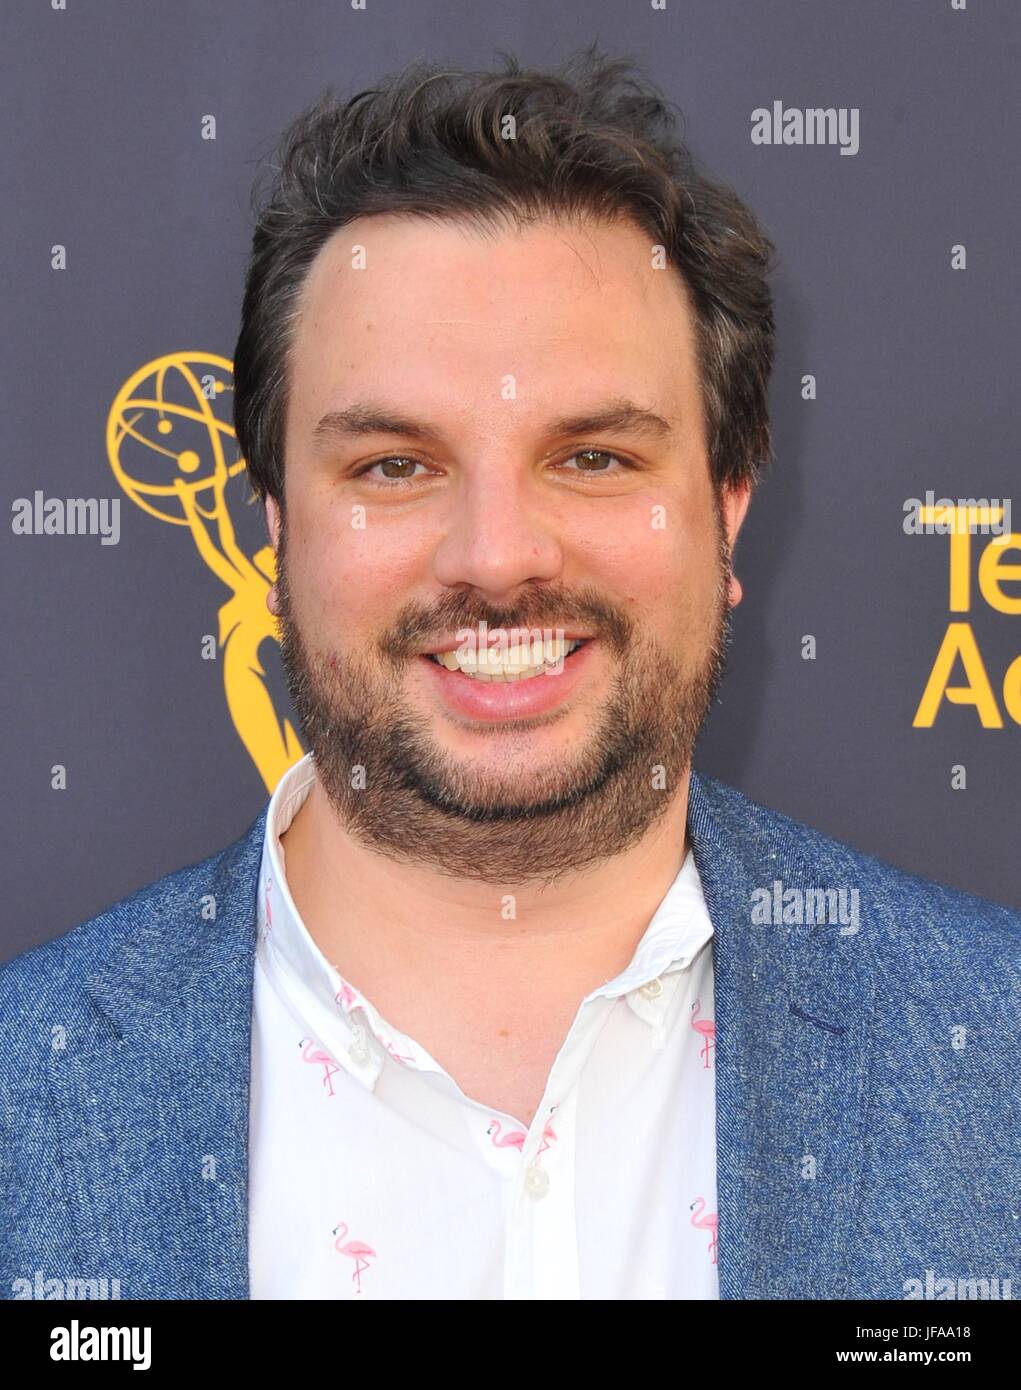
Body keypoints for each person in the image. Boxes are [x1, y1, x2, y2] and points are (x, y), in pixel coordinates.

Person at [3, 45, 1019, 1303]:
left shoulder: (995, 1051)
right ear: (275, 527)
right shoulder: (23, 1094)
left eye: (592, 458)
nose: (495, 557)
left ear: (727, 512)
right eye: (393, 465)